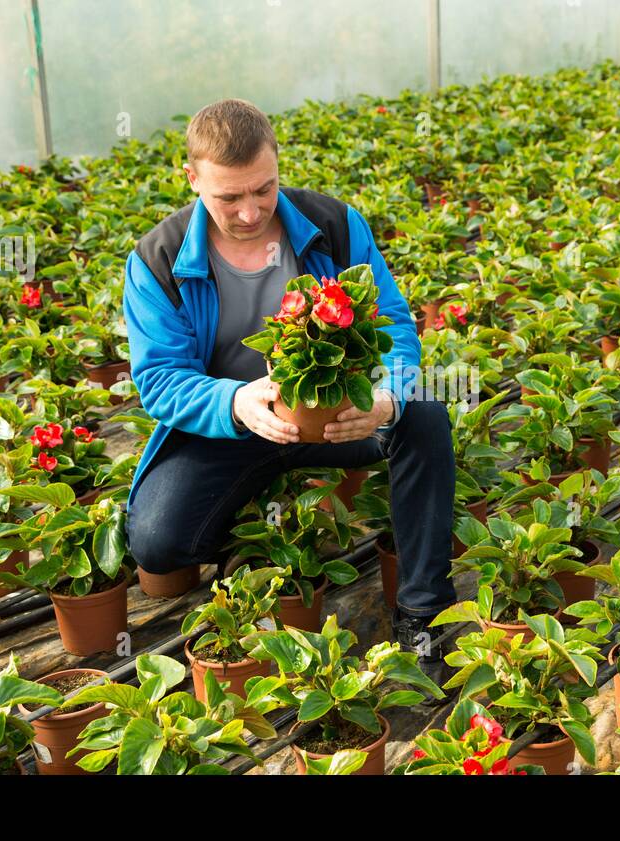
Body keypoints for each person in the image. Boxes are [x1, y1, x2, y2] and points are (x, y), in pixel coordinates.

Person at [121, 98, 456, 685]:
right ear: (192, 179)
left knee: (423, 414)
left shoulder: (333, 225)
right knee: (157, 542)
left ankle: (424, 612)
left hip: (335, 419)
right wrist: (234, 403)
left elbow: (398, 329)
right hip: (232, 425)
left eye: (263, 190)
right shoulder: (158, 259)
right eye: (229, 197)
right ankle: (260, 507)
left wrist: (384, 397)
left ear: (277, 167)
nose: (250, 213)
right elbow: (158, 378)